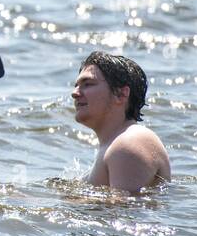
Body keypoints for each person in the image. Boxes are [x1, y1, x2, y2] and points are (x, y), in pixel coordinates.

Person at [71, 51, 170, 193]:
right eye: (76, 85)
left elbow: (124, 210)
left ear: (121, 94)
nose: (74, 93)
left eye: (88, 84)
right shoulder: (116, 144)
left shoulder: (129, 142)